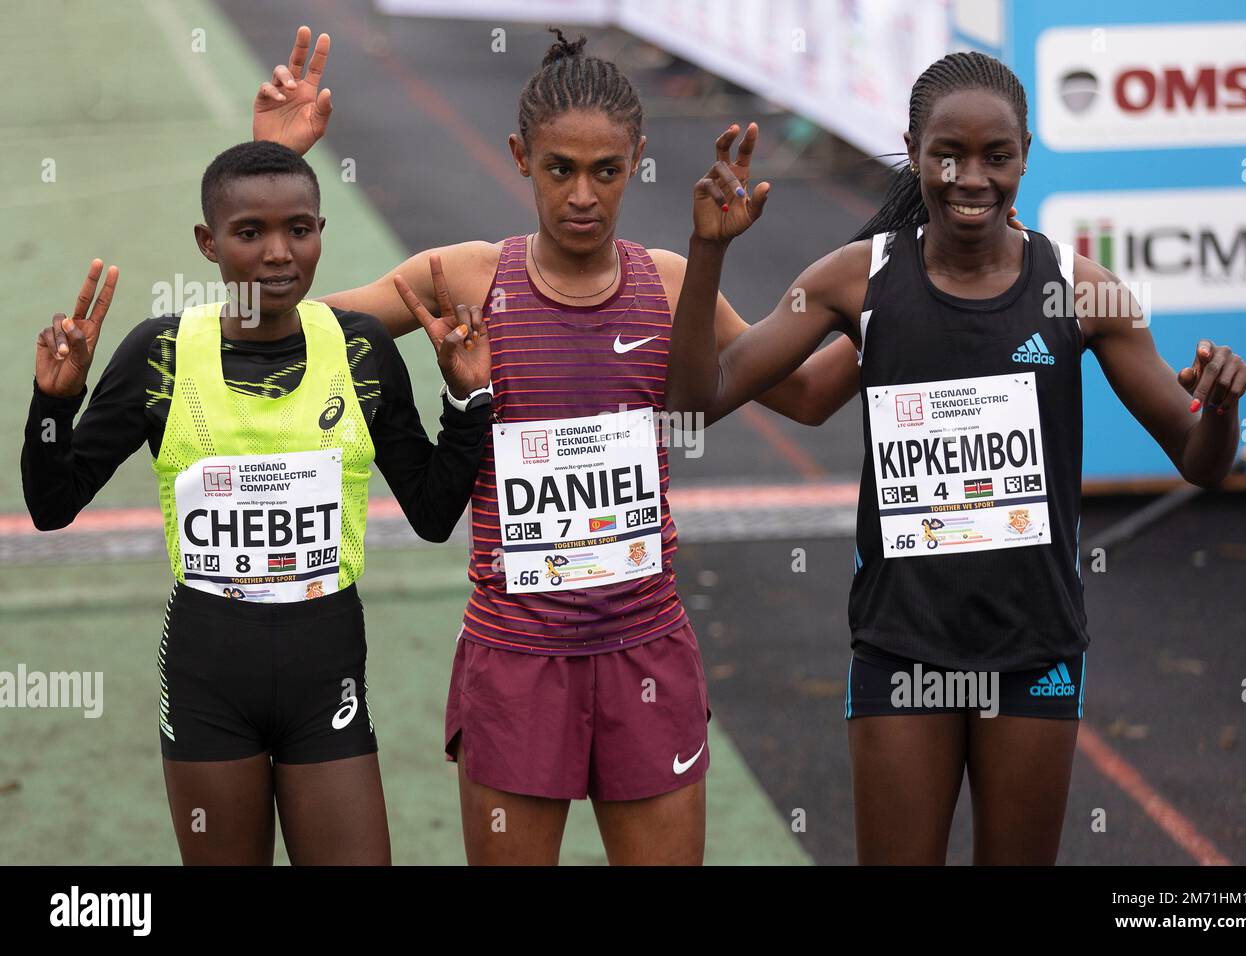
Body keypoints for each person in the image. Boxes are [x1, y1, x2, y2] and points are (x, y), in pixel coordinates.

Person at [252, 24, 901, 865]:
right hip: (515, 665)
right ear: (521, 156)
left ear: (637, 158)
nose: (584, 195)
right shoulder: (467, 277)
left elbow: (808, 395)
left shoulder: (670, 283)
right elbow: (282, 330)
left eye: (607, 171)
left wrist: (904, 298)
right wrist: (267, 163)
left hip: (647, 658)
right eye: (561, 169)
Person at [666, 51, 1246, 864]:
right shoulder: (855, 279)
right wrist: (708, 251)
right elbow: (698, 402)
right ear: (911, 150)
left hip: (1034, 652)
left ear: (1025, 153)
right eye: (948, 153)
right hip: (901, 649)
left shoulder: (1082, 291)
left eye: (995, 157)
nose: (969, 177)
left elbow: (1199, 460)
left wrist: (1218, 410)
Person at [21, 140, 492, 865]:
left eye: (298, 229)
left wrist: (466, 401)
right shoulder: (163, 354)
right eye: (251, 234)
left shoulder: (361, 349)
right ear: (209, 244)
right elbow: (53, 505)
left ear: (320, 233)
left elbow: (433, 516)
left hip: (326, 674)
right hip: (210, 676)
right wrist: (54, 403)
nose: (279, 254)